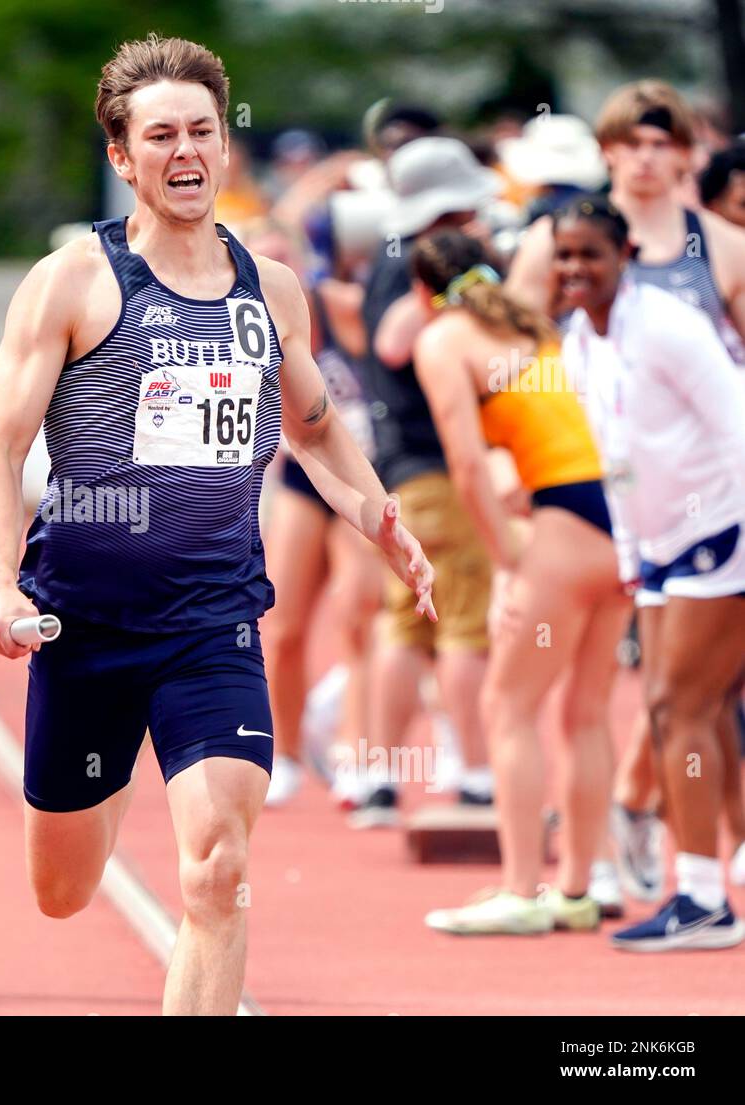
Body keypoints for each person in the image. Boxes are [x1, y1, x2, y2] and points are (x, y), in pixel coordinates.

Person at [0, 34, 435, 1015]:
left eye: (203, 132)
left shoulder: (269, 290)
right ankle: (110, 773)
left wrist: (375, 514)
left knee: (216, 869)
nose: (186, 152)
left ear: (225, 146)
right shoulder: (71, 284)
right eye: (161, 136)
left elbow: (312, 427)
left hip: (210, 624)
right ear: (121, 156)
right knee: (61, 893)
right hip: (83, 623)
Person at [508, 82, 745, 896]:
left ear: (685, 155)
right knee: (651, 691)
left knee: (689, 692)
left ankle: (674, 843)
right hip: (599, 489)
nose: (646, 159)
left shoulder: (718, 246)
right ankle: (628, 840)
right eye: (631, 143)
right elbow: (513, 350)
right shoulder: (559, 248)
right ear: (606, 151)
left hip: (712, 497)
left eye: (662, 144)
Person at [410, 231, 631, 933]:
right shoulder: (527, 323)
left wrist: (508, 564)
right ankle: (575, 887)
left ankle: (521, 888)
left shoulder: (444, 338)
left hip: (566, 520)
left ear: (424, 293)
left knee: (508, 707)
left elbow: (469, 466)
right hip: (621, 519)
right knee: (587, 711)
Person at [555, 197, 745, 950]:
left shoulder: (669, 325)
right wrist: (635, 556)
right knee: (703, 705)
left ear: (625, 253)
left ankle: (701, 895)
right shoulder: (580, 341)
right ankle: (716, 872)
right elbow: (616, 456)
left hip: (721, 528)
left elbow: (737, 425)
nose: (574, 269)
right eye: (563, 255)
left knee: (675, 705)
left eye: (589, 255)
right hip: (664, 541)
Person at [350, 136, 503, 827]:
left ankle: (383, 773)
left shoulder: (387, 262)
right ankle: (474, 771)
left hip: (399, 470)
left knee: (404, 624)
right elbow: (392, 341)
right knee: (463, 623)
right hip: (438, 467)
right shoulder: (423, 270)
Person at [239, 219, 380, 808]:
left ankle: (358, 755)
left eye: (281, 261)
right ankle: (289, 753)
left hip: (365, 478)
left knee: (360, 615)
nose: (273, 277)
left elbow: (396, 366)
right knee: (286, 625)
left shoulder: (342, 308)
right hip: (301, 481)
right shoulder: (239, 327)